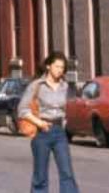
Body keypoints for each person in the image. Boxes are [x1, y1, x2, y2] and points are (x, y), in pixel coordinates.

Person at [16, 52, 80, 193]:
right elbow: (22, 109)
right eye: (57, 66)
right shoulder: (37, 85)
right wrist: (39, 122)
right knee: (40, 176)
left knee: (67, 172)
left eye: (62, 67)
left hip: (59, 132)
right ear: (48, 66)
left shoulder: (65, 86)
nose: (60, 70)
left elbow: (66, 107)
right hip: (42, 132)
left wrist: (64, 122)